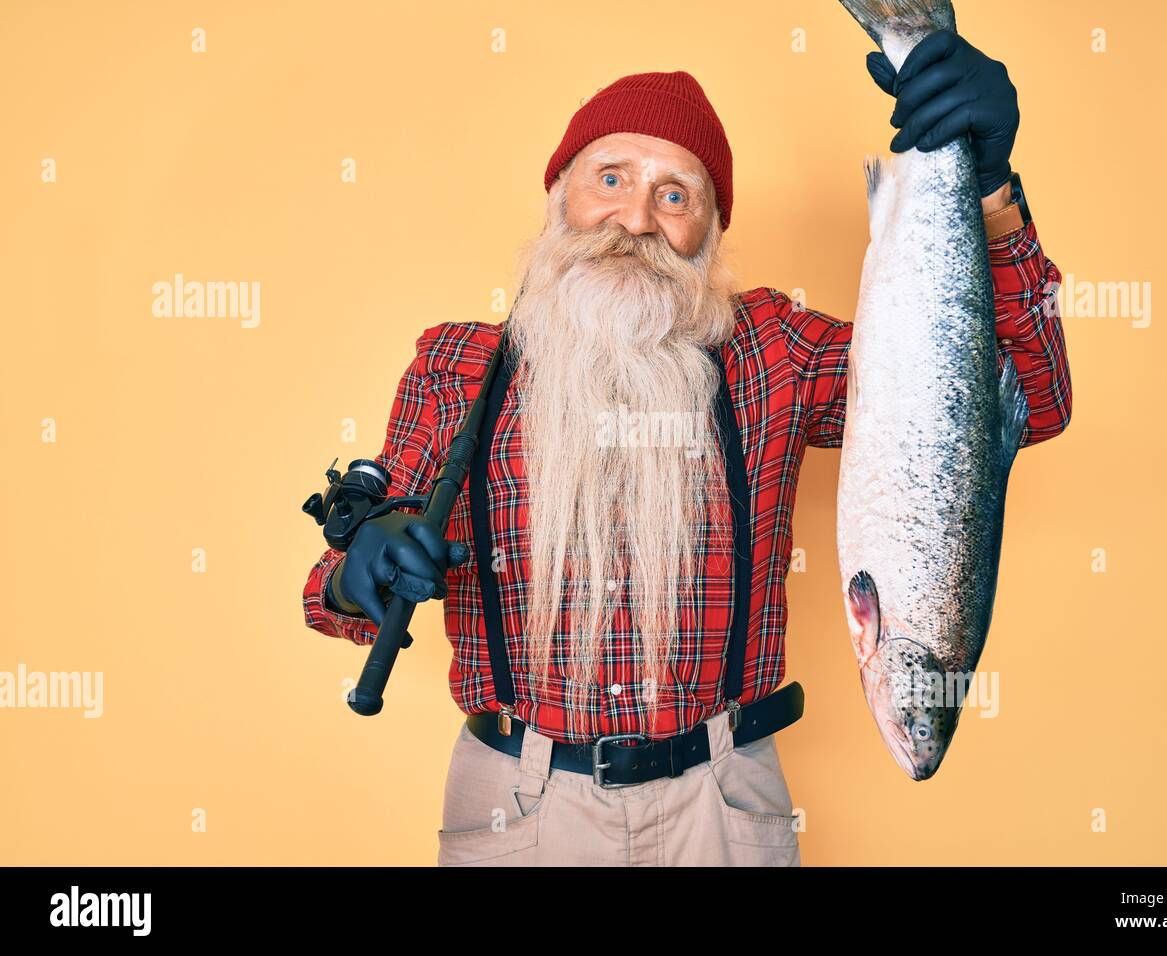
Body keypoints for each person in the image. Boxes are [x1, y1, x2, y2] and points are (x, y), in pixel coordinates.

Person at [301, 36, 1071, 866]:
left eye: (676, 195)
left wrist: (988, 192)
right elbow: (328, 599)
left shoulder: (772, 350)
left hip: (725, 798)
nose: (636, 219)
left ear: (708, 232)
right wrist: (359, 573)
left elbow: (1023, 393)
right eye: (611, 180)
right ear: (559, 198)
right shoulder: (458, 365)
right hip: (515, 805)